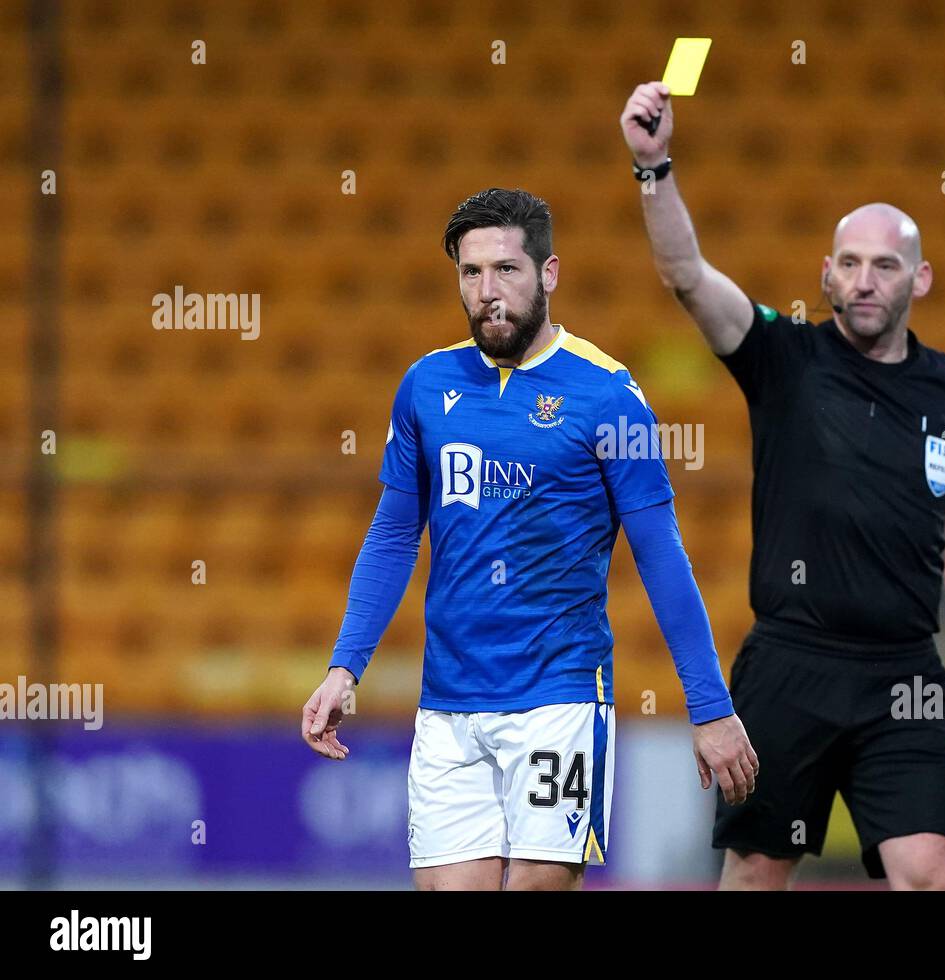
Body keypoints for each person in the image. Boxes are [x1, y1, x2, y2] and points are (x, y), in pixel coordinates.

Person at [301, 187, 757, 891]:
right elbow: (394, 534)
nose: (488, 291)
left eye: (506, 270)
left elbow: (661, 552)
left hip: (560, 696)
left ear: (548, 274)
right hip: (449, 704)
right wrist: (344, 666)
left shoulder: (609, 395)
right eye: (471, 273)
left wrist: (710, 707)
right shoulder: (426, 385)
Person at [619, 83, 945, 890]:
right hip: (790, 662)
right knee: (757, 871)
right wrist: (653, 166)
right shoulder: (783, 358)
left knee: (933, 875)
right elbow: (686, 273)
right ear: (825, 274)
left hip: (907, 672)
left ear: (920, 279)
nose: (866, 280)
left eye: (886, 265)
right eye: (851, 264)